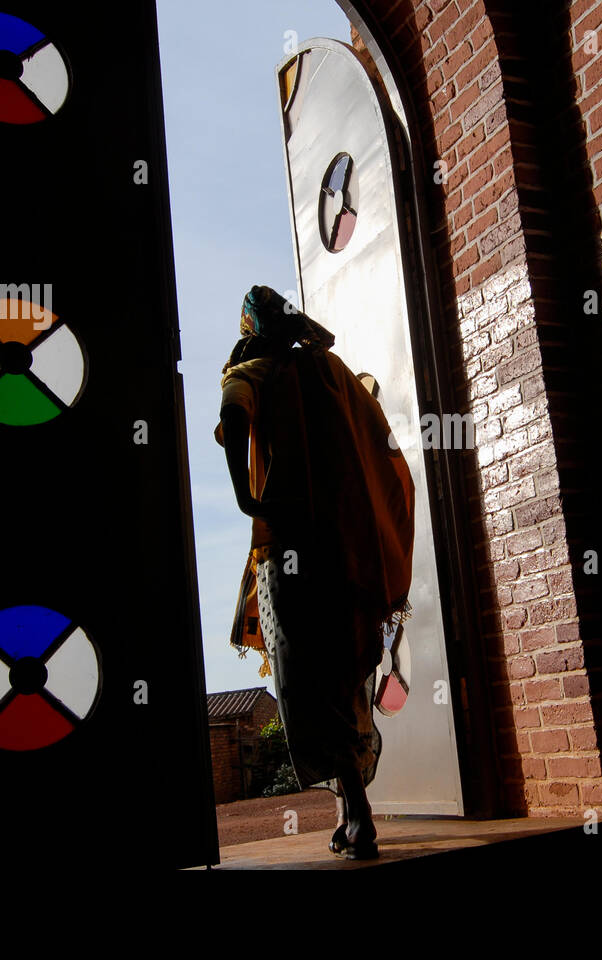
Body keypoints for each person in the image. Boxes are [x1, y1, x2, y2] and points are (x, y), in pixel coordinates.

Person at [214, 285, 415, 860]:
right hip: (349, 549)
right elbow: (385, 454)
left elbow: (233, 412)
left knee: (308, 680)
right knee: (346, 675)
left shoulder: (254, 370)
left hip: (292, 550)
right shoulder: (334, 372)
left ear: (251, 328)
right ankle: (350, 810)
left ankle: (357, 813)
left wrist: (245, 497)